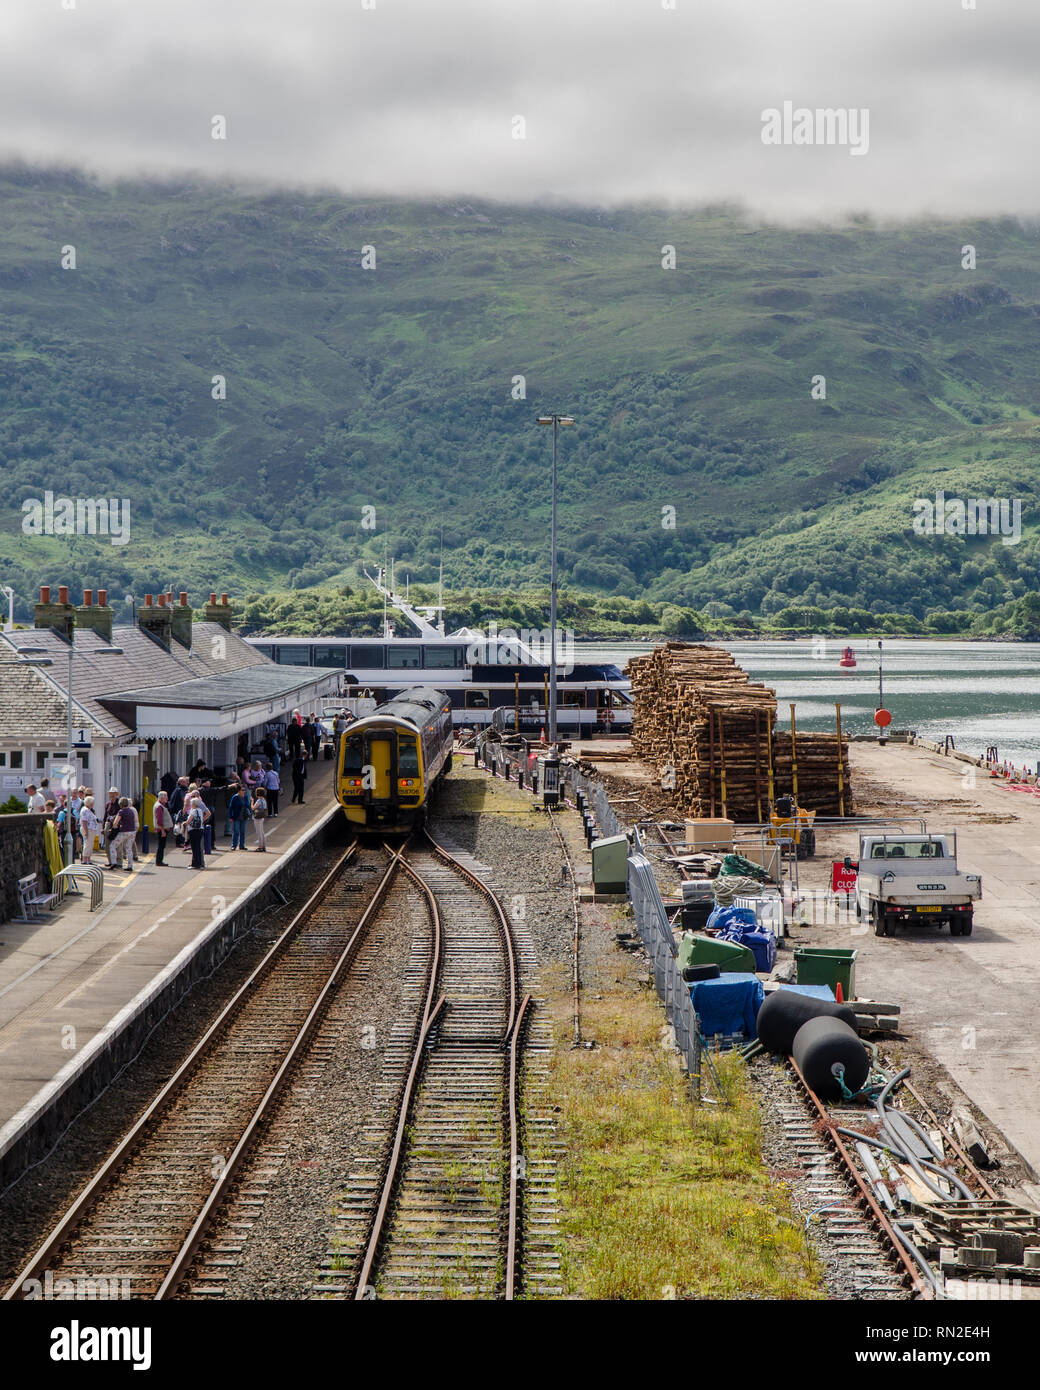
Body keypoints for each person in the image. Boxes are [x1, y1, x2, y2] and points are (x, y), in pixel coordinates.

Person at [109, 796, 139, 871]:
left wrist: (114, 827)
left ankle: (113, 862)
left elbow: (116, 822)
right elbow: (134, 819)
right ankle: (130, 865)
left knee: (112, 845)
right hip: (132, 831)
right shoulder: (131, 811)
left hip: (124, 831)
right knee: (128, 848)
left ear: (120, 804)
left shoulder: (121, 811)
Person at [185, 795, 206, 869]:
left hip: (194, 831)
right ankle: (199, 863)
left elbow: (188, 821)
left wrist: (183, 823)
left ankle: (195, 864)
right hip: (200, 830)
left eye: (191, 803)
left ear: (193, 804)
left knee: (194, 848)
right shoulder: (200, 810)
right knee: (197, 847)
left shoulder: (193, 811)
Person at [227, 783, 251, 850]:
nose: (244, 791)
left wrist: (249, 814)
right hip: (236, 817)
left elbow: (248, 806)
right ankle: (234, 845)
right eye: (242, 790)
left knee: (242, 831)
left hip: (244, 816)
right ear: (239, 791)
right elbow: (231, 807)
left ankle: (242, 845)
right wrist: (230, 817)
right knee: (236, 831)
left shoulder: (246, 797)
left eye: (244, 790)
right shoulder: (235, 797)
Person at [153, 790, 174, 865]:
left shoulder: (161, 805)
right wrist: (163, 831)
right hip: (162, 830)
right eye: (166, 797)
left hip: (163, 829)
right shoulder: (159, 806)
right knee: (161, 846)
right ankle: (159, 861)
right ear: (161, 798)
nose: (167, 799)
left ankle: (159, 861)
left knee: (162, 845)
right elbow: (159, 820)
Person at [79, 795, 99, 864]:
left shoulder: (87, 810)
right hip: (88, 829)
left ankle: (88, 860)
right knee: (88, 844)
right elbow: (84, 821)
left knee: (89, 844)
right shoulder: (85, 810)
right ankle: (85, 860)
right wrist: (86, 831)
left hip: (90, 829)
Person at [251, 785, 268, 851]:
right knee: (262, 831)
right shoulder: (264, 800)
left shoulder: (258, 801)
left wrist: (252, 802)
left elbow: (253, 808)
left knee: (259, 832)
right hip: (262, 816)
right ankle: (264, 846)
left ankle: (260, 847)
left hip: (257, 817)